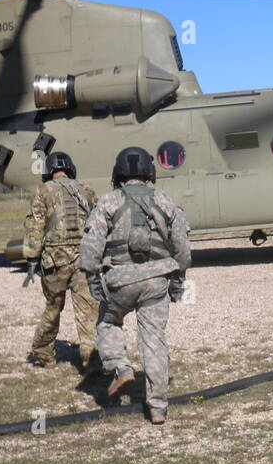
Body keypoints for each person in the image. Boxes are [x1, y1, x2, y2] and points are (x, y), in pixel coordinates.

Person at [79, 147, 192, 425]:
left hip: (120, 281)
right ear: (149, 172)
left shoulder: (108, 202)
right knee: (153, 340)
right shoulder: (165, 202)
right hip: (156, 281)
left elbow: (90, 251)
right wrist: (177, 286)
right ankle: (157, 406)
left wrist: (95, 282)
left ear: (119, 172)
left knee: (108, 323)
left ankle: (120, 366)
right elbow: (183, 252)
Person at [23, 151, 98, 369]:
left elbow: (35, 226)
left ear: (49, 171)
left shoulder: (43, 191)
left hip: (54, 261)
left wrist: (32, 258)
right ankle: (91, 358)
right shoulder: (86, 190)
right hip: (84, 258)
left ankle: (43, 353)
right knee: (88, 310)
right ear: (71, 168)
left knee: (53, 307)